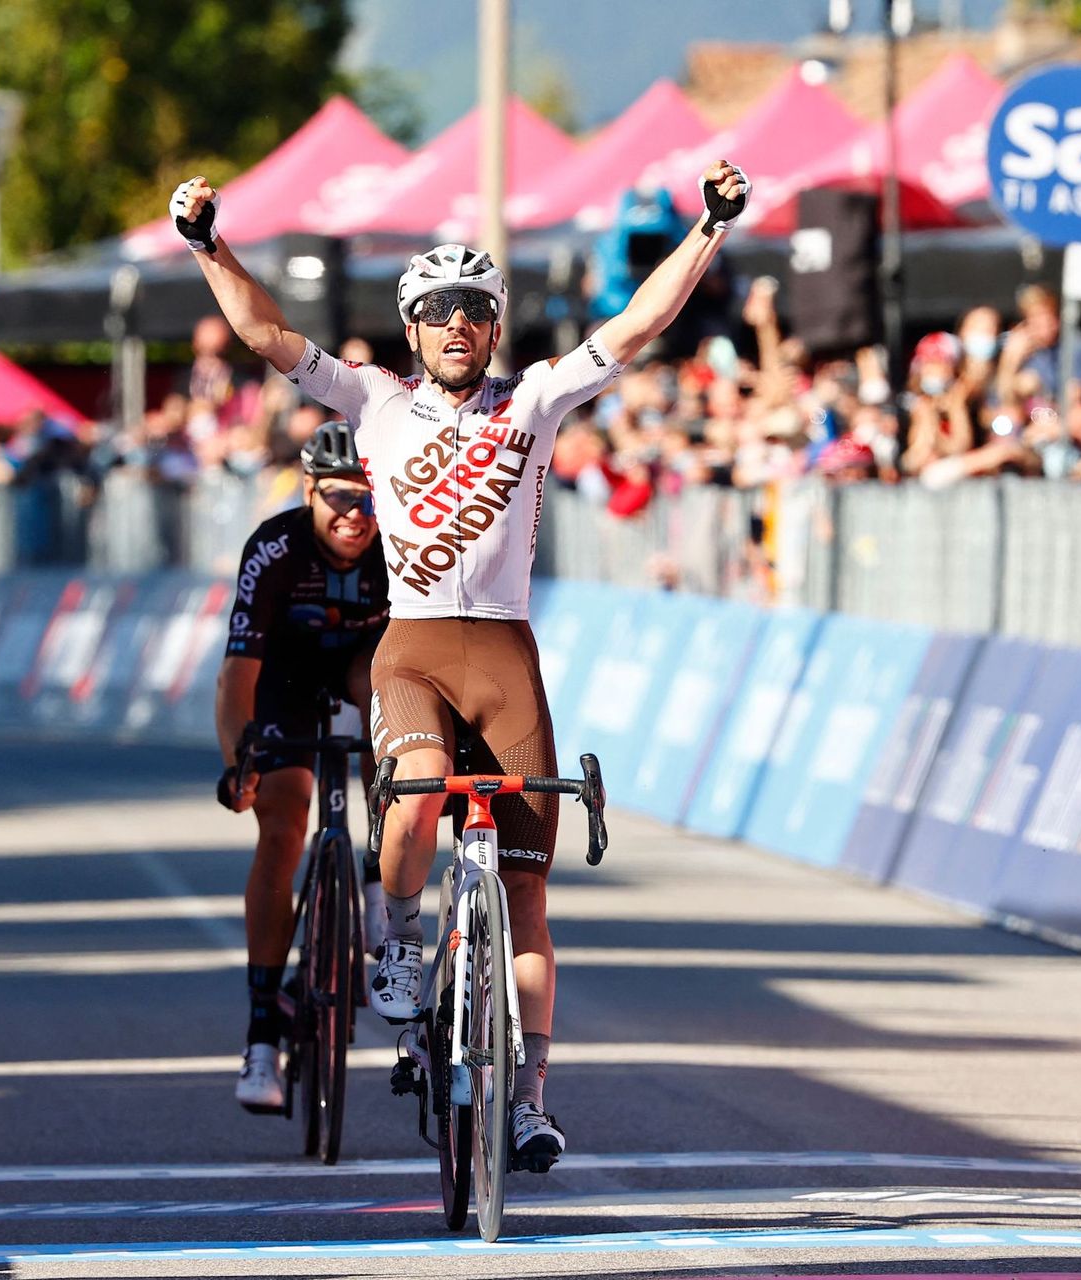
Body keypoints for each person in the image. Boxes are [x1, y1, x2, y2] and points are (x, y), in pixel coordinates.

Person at [169, 156, 751, 1170]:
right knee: (420, 787)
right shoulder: (374, 401)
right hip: (416, 646)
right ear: (412, 328)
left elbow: (638, 325)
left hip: (508, 653)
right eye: (436, 311)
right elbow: (267, 336)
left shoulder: (535, 400)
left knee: (528, 895)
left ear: (492, 326)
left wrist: (709, 227)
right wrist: (209, 244)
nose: (455, 324)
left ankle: (528, 1101)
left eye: (473, 310)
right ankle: (398, 935)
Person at [215, 422, 391, 1113]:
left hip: (363, 668)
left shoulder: (399, 541)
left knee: (388, 698)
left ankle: (378, 882)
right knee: (284, 824)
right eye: (342, 497)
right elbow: (237, 676)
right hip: (283, 680)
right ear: (310, 492)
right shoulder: (276, 548)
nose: (357, 515)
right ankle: (262, 1034)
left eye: (370, 500)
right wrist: (238, 766)